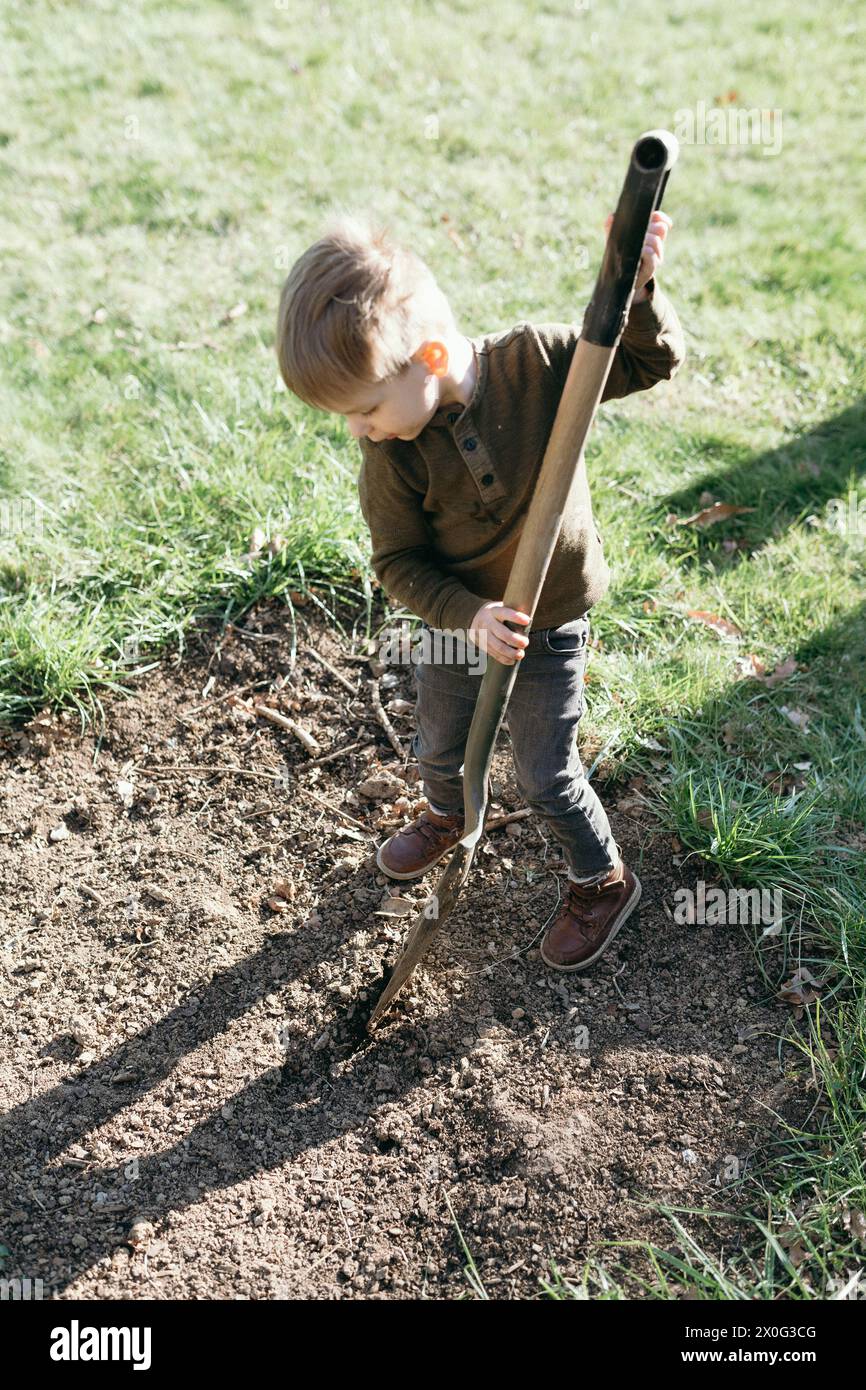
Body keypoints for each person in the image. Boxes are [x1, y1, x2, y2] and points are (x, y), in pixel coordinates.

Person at [275, 209, 685, 971]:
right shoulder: (392, 456)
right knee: (440, 743)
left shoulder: (542, 364)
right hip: (455, 622)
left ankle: (602, 881)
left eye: (364, 409)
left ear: (429, 356)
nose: (359, 431)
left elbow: (646, 362)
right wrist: (467, 617)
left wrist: (638, 288)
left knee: (544, 772)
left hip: (550, 620)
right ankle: (446, 815)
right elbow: (398, 561)